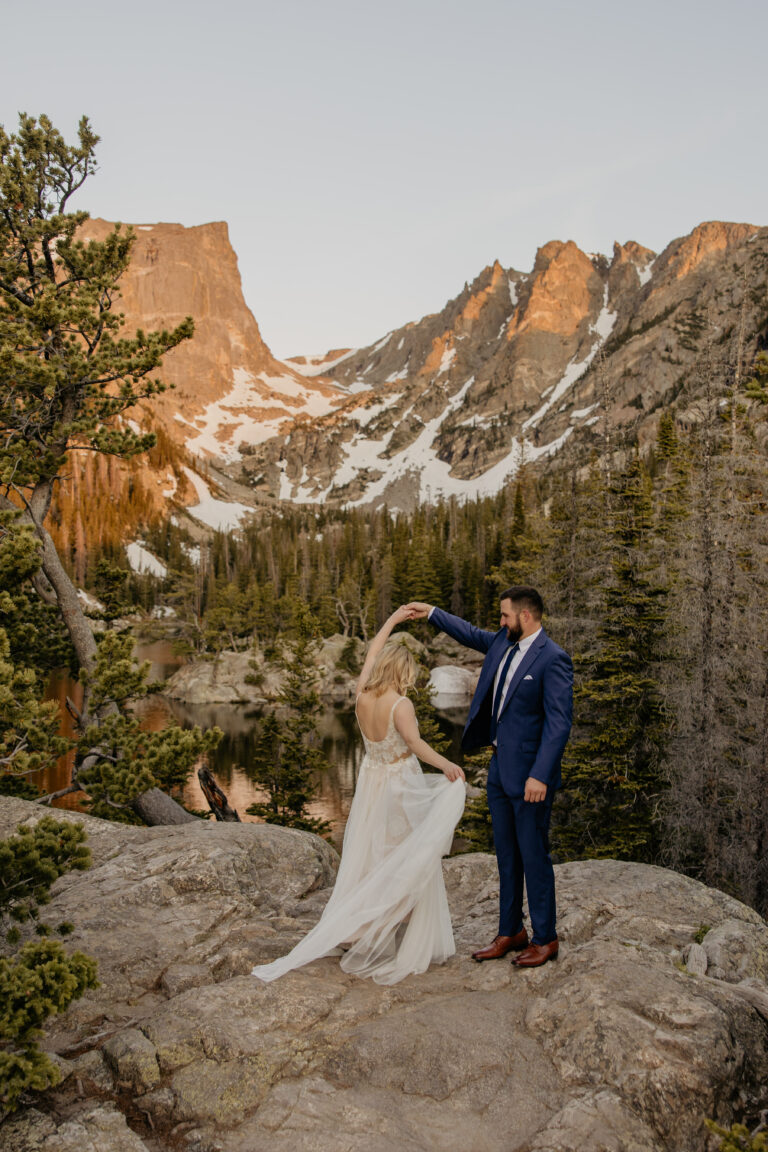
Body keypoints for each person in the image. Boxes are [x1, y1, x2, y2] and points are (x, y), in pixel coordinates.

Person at [251, 606, 466, 987]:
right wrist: (448, 765)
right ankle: (390, 926)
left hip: (371, 783)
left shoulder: (362, 694)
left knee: (371, 855)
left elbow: (370, 654)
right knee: (410, 854)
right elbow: (415, 744)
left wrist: (392, 621)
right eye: (410, 675)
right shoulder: (401, 705)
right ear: (403, 673)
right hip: (399, 784)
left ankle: (363, 927)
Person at [406, 587, 572, 968]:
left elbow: (559, 725)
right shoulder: (502, 643)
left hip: (531, 779)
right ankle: (510, 931)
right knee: (507, 857)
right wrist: (431, 611)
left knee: (534, 857)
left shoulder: (553, 659)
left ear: (525, 617)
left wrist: (540, 775)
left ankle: (546, 939)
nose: (499, 622)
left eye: (504, 616)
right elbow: (466, 631)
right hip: (499, 771)